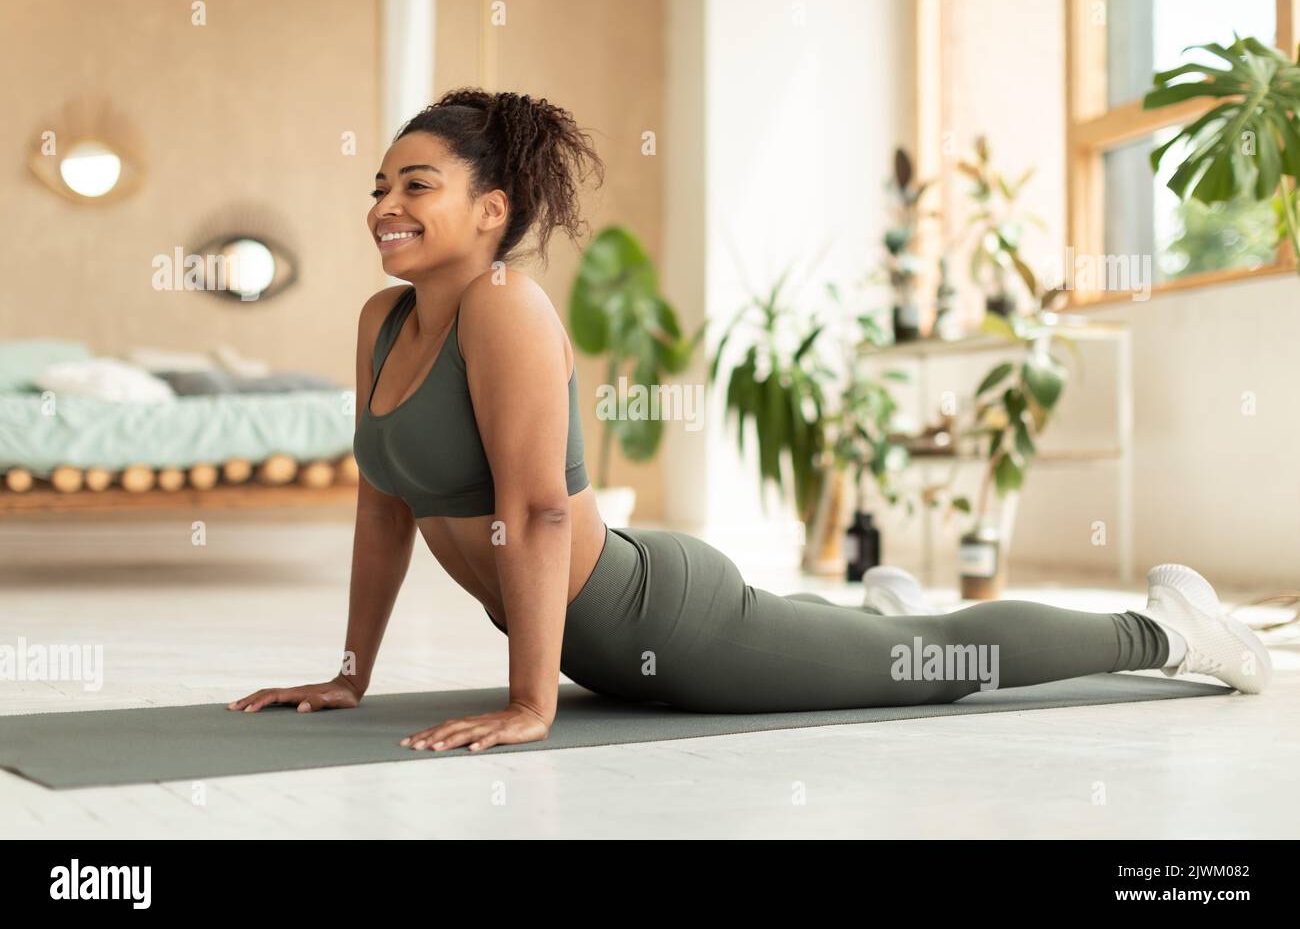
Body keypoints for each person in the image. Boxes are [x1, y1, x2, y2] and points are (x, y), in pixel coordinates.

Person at [228, 89, 1271, 754]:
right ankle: (880, 615)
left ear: (492, 211)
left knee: (942, 663)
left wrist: (530, 704)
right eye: (378, 187)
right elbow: (382, 509)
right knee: (892, 639)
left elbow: (538, 512)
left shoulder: (504, 306)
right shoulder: (381, 319)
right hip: (604, 626)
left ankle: (1175, 629)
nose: (384, 206)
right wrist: (350, 673)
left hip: (662, 626)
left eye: (417, 185)